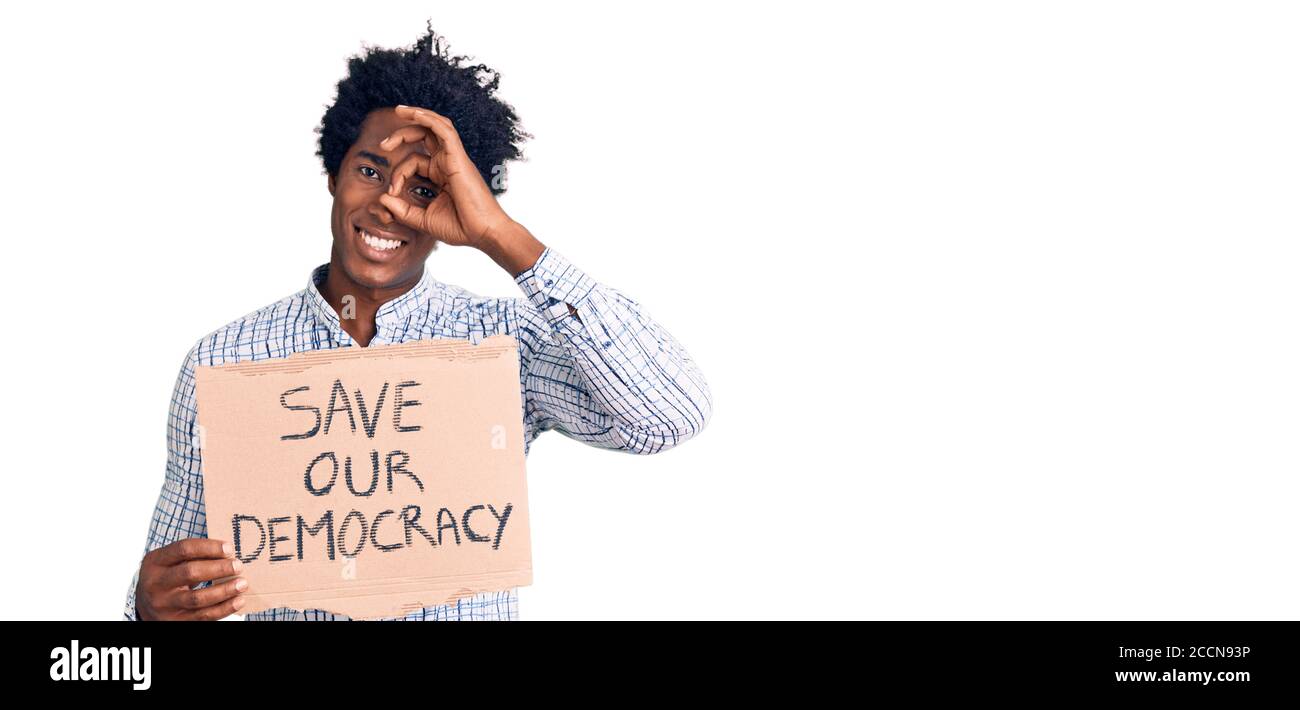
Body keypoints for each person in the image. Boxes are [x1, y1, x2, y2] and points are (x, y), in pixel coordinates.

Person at [125, 25, 712, 621]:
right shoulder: (224, 362)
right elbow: (176, 586)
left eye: (425, 187)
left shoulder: (502, 348)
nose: (390, 203)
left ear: (458, 203)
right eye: (371, 171)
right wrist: (149, 611)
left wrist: (501, 235)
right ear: (333, 174)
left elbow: (668, 419)